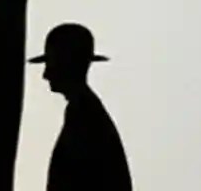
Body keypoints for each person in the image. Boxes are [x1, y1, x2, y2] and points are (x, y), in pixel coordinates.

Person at [29, 23, 132, 191]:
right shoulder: (86, 111)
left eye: (51, 64)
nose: (45, 75)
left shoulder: (84, 116)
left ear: (67, 65)